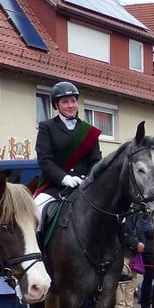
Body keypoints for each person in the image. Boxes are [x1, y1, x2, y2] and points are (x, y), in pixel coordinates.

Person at [33, 81, 103, 225]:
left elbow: (96, 160)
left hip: (85, 186)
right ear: (56, 105)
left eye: (73, 101)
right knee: (36, 213)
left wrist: (88, 179)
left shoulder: (89, 131)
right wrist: (64, 178)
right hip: (55, 186)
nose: (70, 105)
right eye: (65, 102)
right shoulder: (47, 127)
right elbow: (45, 160)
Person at [136, 212, 154, 308]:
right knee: (148, 280)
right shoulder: (143, 218)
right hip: (148, 252)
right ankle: (145, 306)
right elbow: (149, 231)